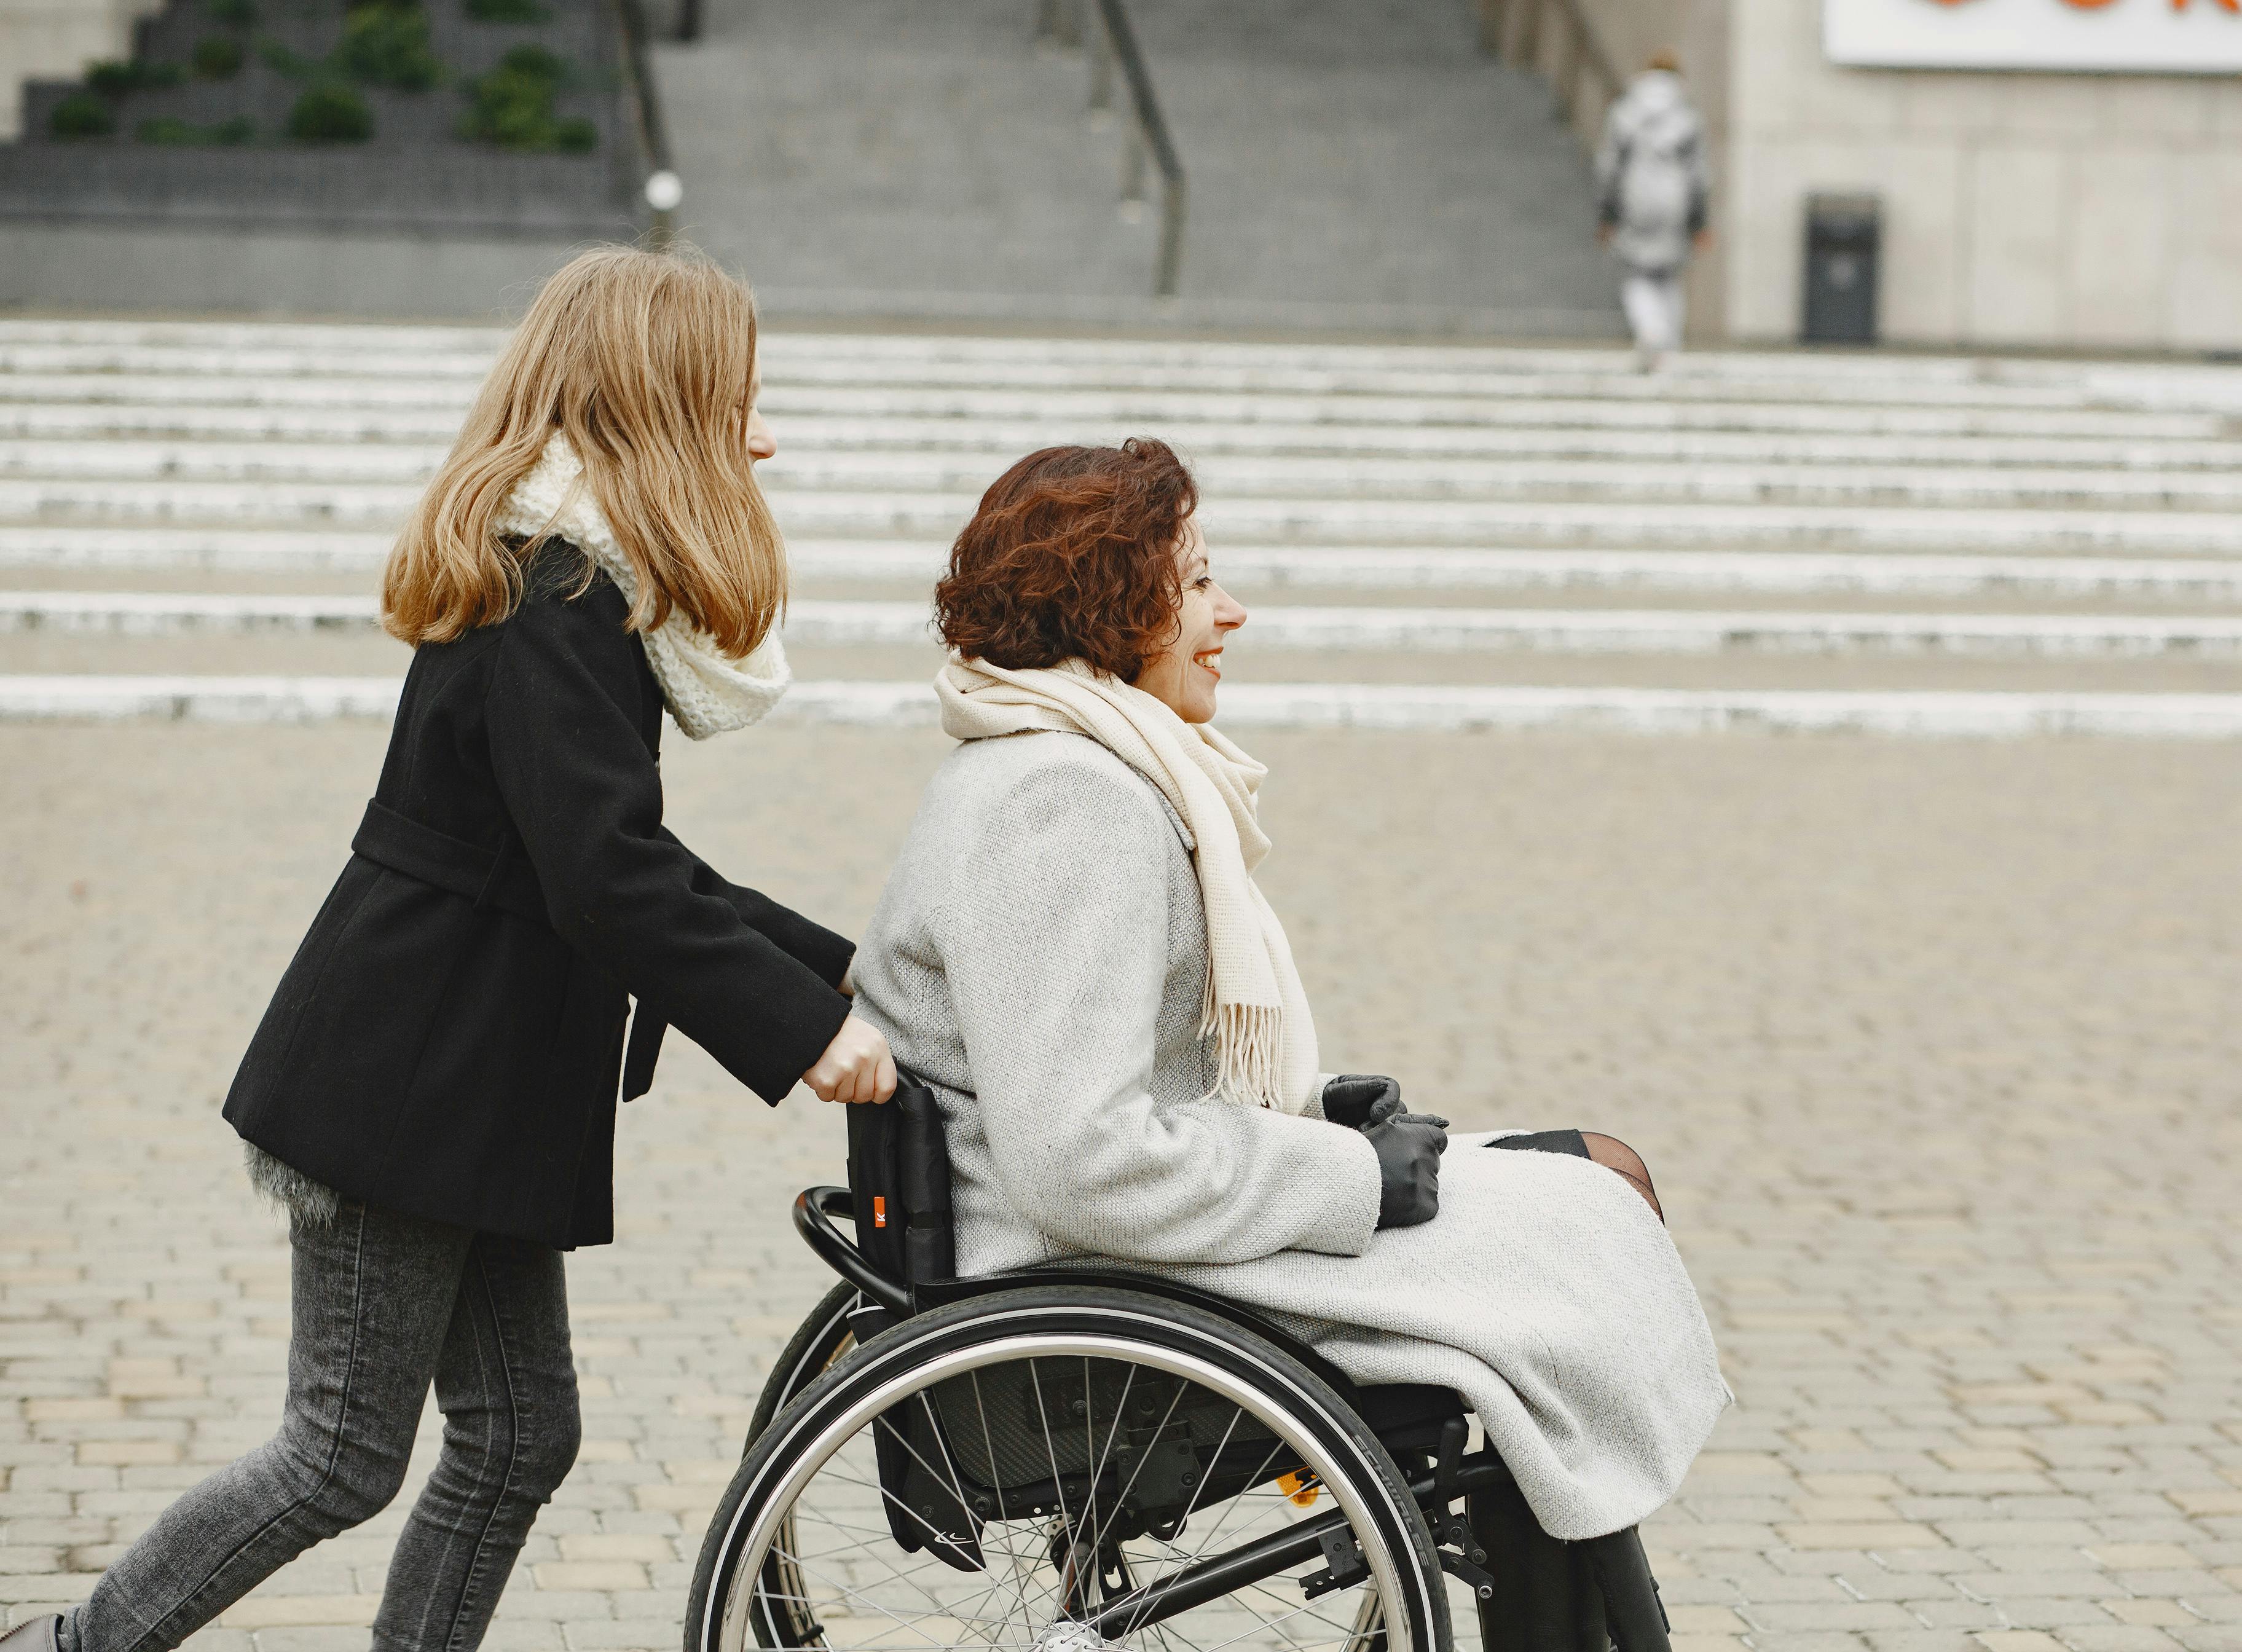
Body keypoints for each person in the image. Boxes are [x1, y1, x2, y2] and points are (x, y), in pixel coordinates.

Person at [1, 246, 899, 1652]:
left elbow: (611, 854)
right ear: (661, 404)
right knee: (341, 1453)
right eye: (740, 403)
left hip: (456, 1084)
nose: (762, 436)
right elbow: (607, 881)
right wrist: (804, 1034)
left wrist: (836, 971)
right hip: (405, 1083)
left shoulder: (577, 583)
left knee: (518, 1434)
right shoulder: (556, 593)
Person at [848, 438, 1731, 1640]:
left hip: (1117, 1259)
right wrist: (1349, 1177)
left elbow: (1095, 1100)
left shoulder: (1046, 768)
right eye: (1198, 579)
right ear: (1116, 602)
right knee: (1583, 1216)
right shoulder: (1069, 804)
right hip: (1093, 1305)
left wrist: (1312, 1119)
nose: (1231, 610)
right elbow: (1080, 1162)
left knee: (1591, 1177)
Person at [1595, 49, 1711, 370]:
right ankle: (1669, 344)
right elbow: (1699, 174)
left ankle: (1651, 330)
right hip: (1676, 195)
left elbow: (1610, 167)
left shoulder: (1625, 112)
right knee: (1670, 274)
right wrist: (1700, 221)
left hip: (1636, 193)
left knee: (1637, 272)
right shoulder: (1687, 116)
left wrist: (1607, 214)